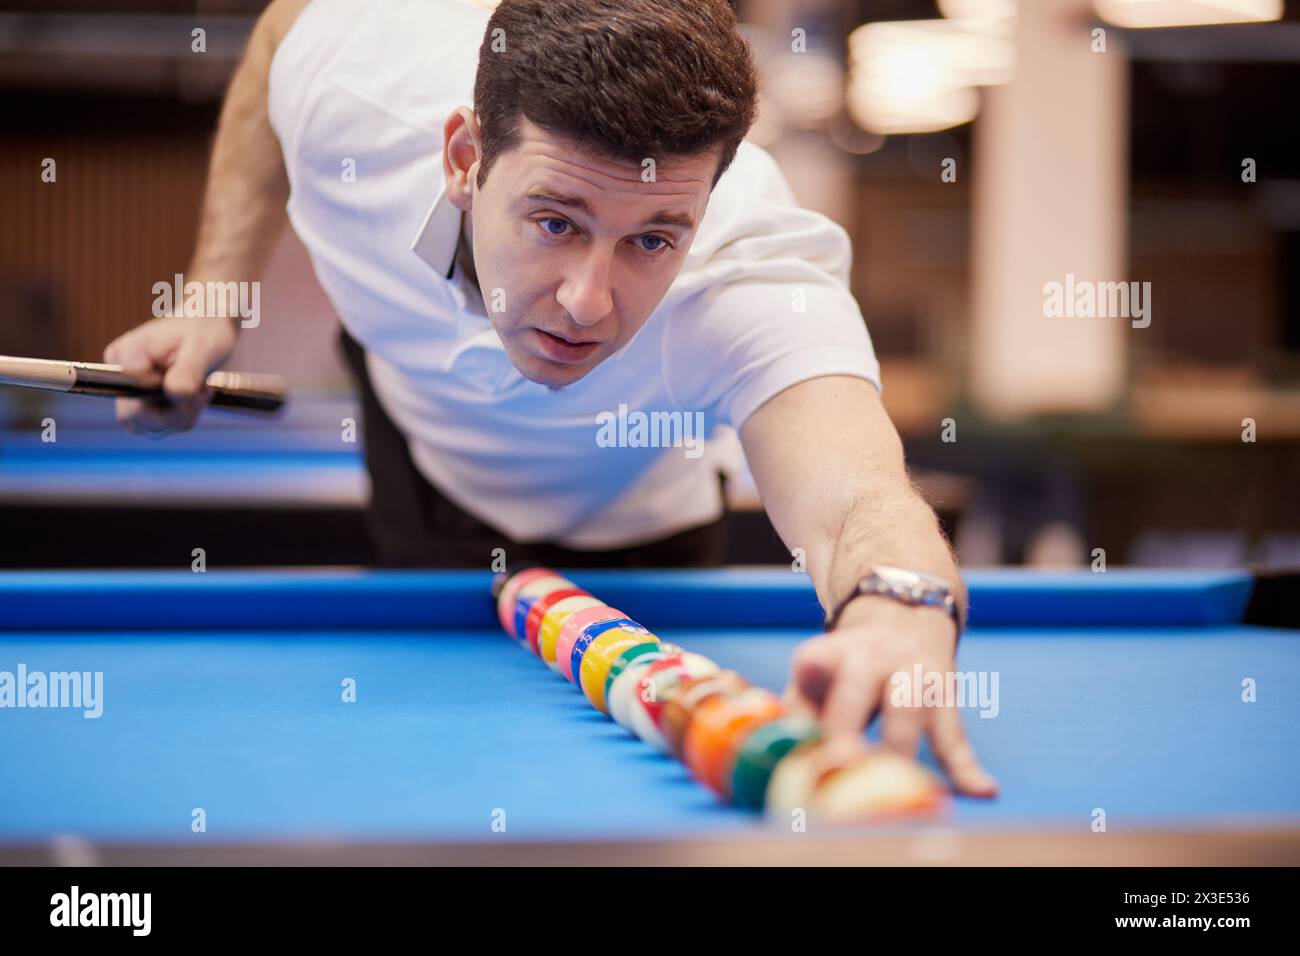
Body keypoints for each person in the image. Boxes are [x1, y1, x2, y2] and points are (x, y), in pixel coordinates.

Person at [104, 0, 996, 797]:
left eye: (652, 239)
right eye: (555, 221)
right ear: (464, 156)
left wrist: (897, 600)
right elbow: (275, 41)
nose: (586, 302)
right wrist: (212, 299)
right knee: (427, 786)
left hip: (643, 529)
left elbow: (857, 498)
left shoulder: (752, 275)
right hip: (426, 473)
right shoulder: (355, 86)